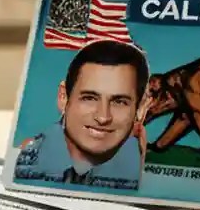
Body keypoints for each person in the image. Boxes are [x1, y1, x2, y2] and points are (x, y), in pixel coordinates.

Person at [13, 39, 151, 190]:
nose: (103, 117)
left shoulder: (141, 173)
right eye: (89, 98)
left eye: (119, 102)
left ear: (141, 108)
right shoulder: (23, 162)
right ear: (63, 97)